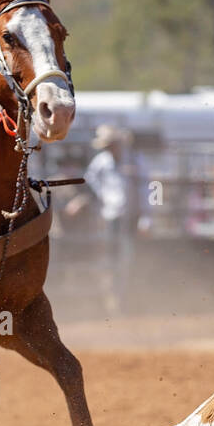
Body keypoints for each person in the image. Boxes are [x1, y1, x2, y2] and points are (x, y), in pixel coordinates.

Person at [85, 125, 133, 316]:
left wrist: (146, 216)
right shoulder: (102, 162)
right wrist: (103, 196)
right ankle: (112, 299)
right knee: (110, 259)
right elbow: (90, 179)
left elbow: (148, 187)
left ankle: (123, 298)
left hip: (130, 217)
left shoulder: (134, 160)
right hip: (110, 216)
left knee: (127, 258)